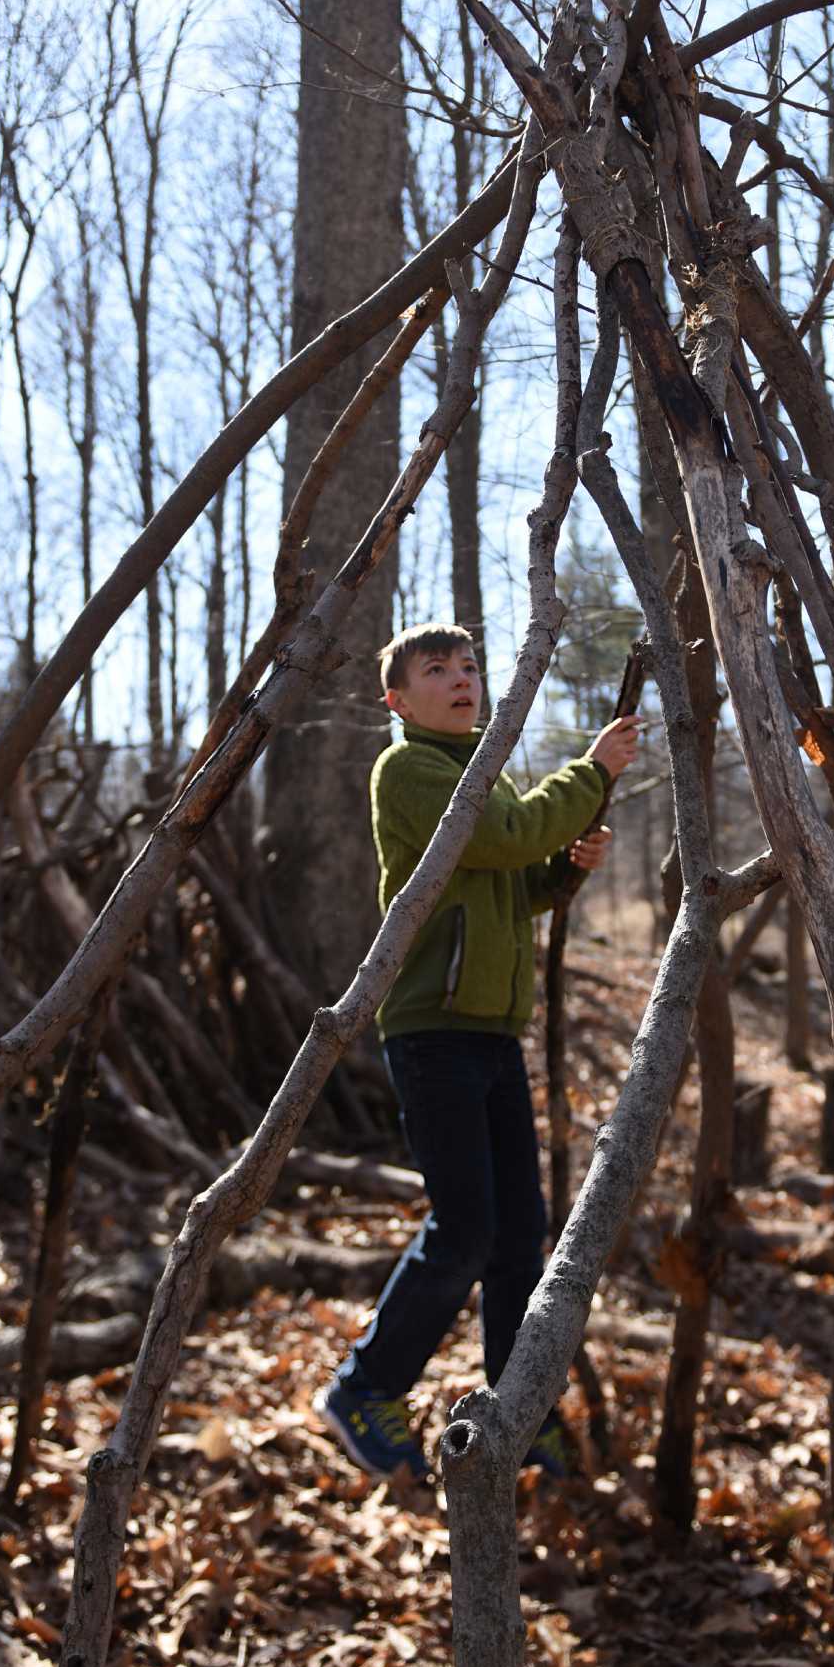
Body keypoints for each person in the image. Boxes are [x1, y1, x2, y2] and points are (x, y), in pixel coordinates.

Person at [316, 622, 640, 1483]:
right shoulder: (411, 770)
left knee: (518, 1238)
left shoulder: (476, 776)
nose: (461, 680)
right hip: (431, 1031)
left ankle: (517, 1412)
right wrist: (592, 773)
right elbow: (500, 838)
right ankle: (363, 1390)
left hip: (492, 1035)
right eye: (437, 670)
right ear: (398, 700)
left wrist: (565, 870)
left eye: (468, 667)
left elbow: (509, 879)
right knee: (463, 1231)